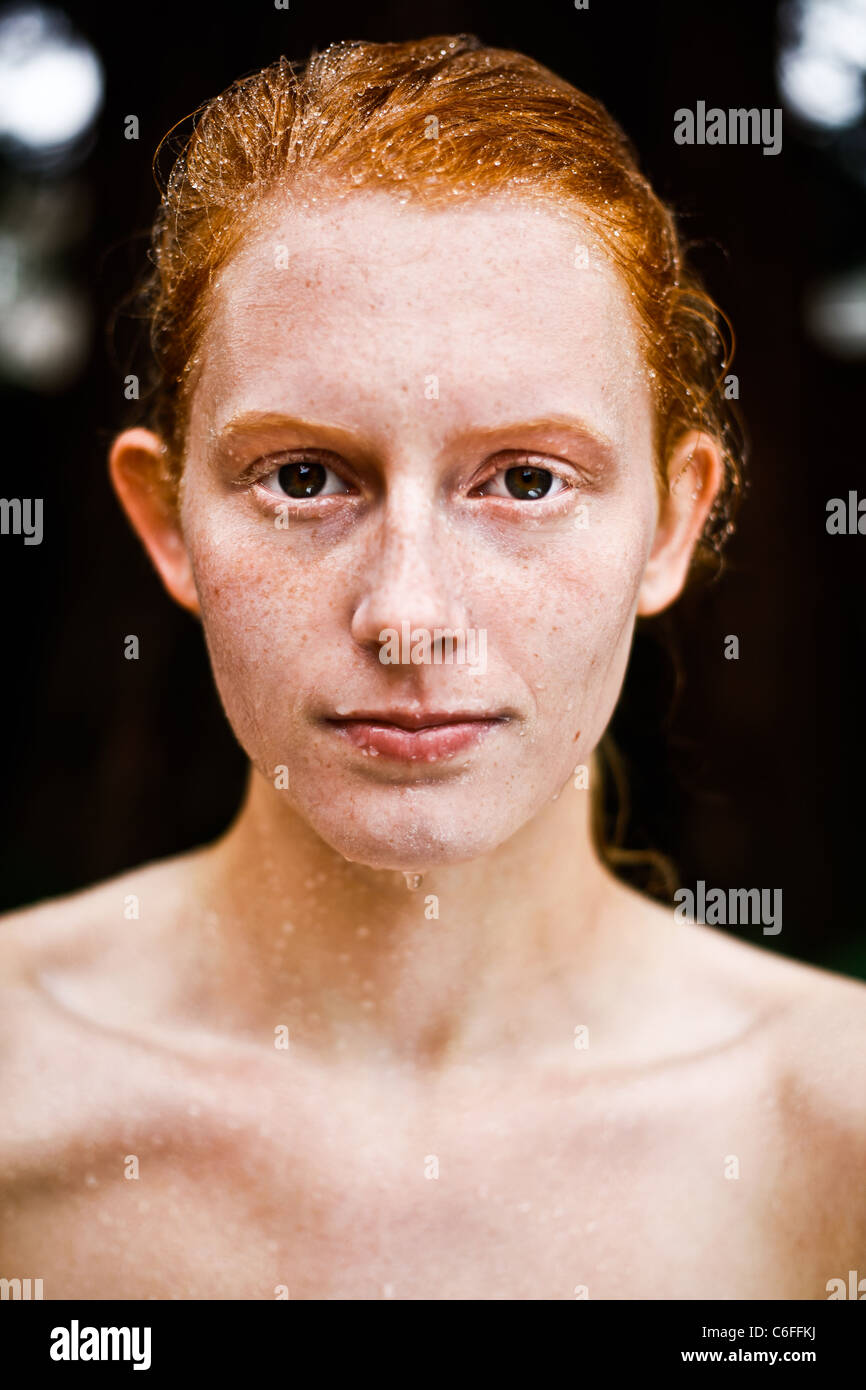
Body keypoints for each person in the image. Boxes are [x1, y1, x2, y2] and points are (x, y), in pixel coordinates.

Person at [1, 35, 863, 1301]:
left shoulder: (836, 1150)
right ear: (167, 522)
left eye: (524, 480)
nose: (407, 618)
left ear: (670, 525)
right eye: (303, 479)